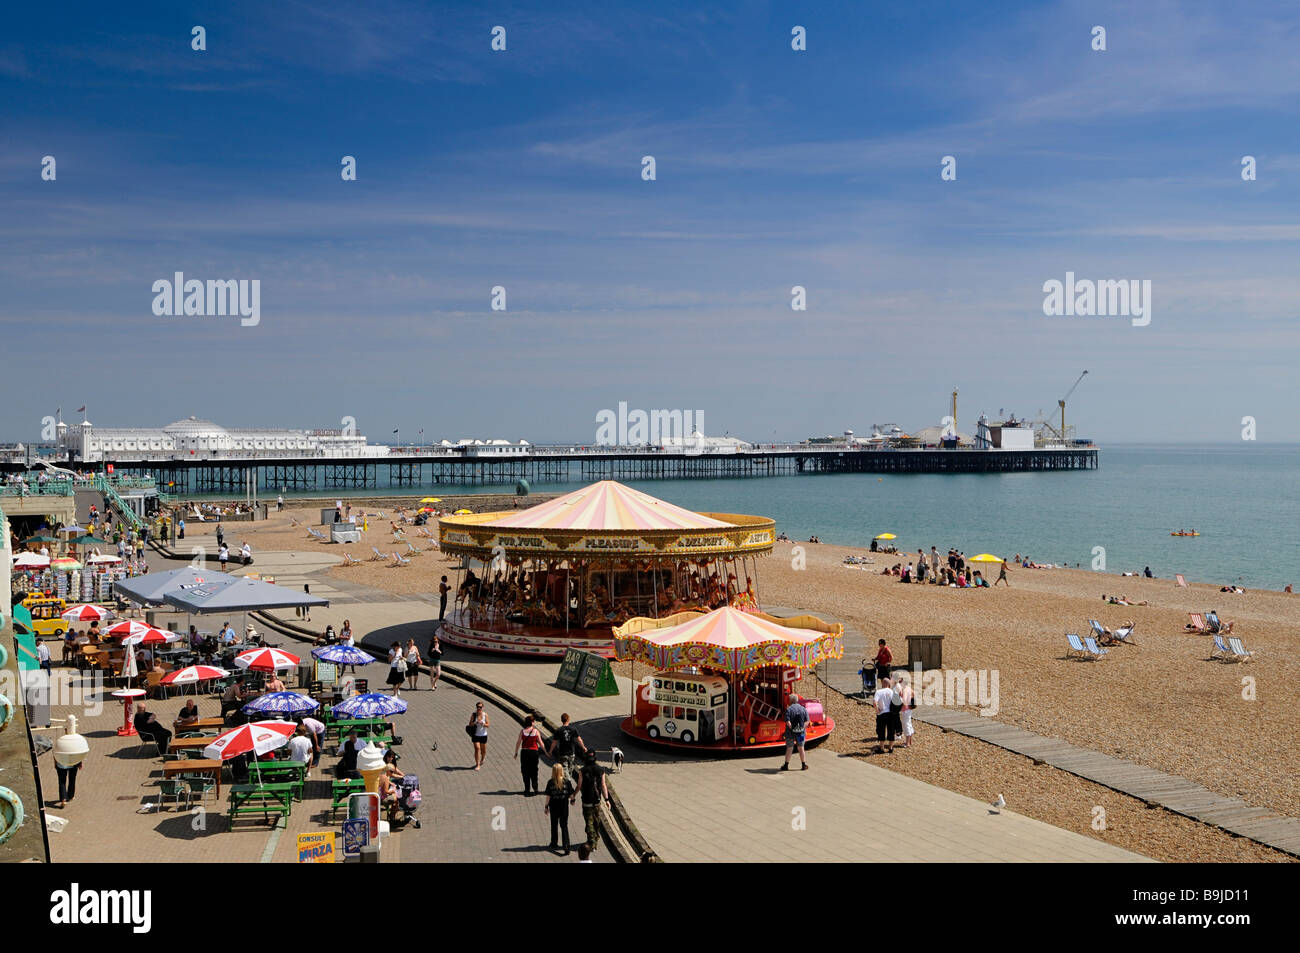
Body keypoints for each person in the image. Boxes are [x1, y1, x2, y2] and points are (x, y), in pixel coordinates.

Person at [575, 749, 610, 852]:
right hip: (597, 800)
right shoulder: (601, 770)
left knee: (589, 822)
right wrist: (607, 799)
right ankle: (595, 840)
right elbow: (603, 785)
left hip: (586, 800)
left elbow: (579, 786)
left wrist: (573, 795)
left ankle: (592, 843)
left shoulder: (582, 770)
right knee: (596, 822)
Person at [544, 762, 576, 854]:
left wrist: (546, 807)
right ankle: (566, 846)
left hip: (554, 807)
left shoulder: (550, 782)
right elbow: (571, 794)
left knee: (554, 825)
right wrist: (573, 801)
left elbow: (548, 796)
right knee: (564, 826)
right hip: (564, 808)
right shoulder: (567, 782)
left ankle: (554, 843)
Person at [548, 712, 587, 781]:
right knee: (570, 768)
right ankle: (568, 782)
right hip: (571, 752)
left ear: (561, 720)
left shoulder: (558, 730)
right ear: (568, 719)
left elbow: (554, 743)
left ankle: (567, 782)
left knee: (564, 768)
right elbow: (579, 740)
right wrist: (583, 747)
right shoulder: (573, 729)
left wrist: (550, 751)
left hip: (562, 753)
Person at [514, 714, 545, 795]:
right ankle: (535, 788)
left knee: (525, 771)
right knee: (534, 770)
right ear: (532, 722)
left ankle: (527, 789)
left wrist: (516, 752)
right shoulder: (536, 732)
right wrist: (546, 752)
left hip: (524, 752)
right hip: (534, 752)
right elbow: (541, 743)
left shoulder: (522, 731)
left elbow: (518, 743)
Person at [781, 693, 809, 771]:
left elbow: (788, 722)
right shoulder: (803, 709)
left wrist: (792, 728)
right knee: (801, 748)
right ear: (797, 701)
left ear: (790, 701)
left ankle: (786, 765)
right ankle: (803, 765)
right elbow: (807, 721)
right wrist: (801, 729)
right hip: (800, 733)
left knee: (790, 748)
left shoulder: (789, 709)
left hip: (790, 733)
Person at [873, 677, 897, 754]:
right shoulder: (892, 692)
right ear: (889, 684)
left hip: (882, 713)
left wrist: (877, 710)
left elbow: (874, 702)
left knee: (881, 731)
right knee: (891, 730)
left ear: (882, 683)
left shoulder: (879, 692)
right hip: (891, 714)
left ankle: (882, 748)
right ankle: (890, 748)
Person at [895, 673, 916, 748]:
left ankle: (907, 743)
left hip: (905, 709)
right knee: (909, 724)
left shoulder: (904, 690)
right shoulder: (909, 688)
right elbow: (913, 695)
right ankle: (910, 741)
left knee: (906, 725)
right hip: (909, 709)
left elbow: (903, 701)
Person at [469, 701, 489, 770]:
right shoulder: (473, 715)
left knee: (483, 751)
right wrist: (475, 722)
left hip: (483, 735)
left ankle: (482, 759)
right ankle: (477, 765)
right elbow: (470, 724)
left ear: (482, 707)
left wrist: (483, 724)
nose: (479, 708)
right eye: (478, 707)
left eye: (480, 707)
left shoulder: (485, 715)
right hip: (475, 735)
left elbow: (488, 725)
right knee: (477, 749)